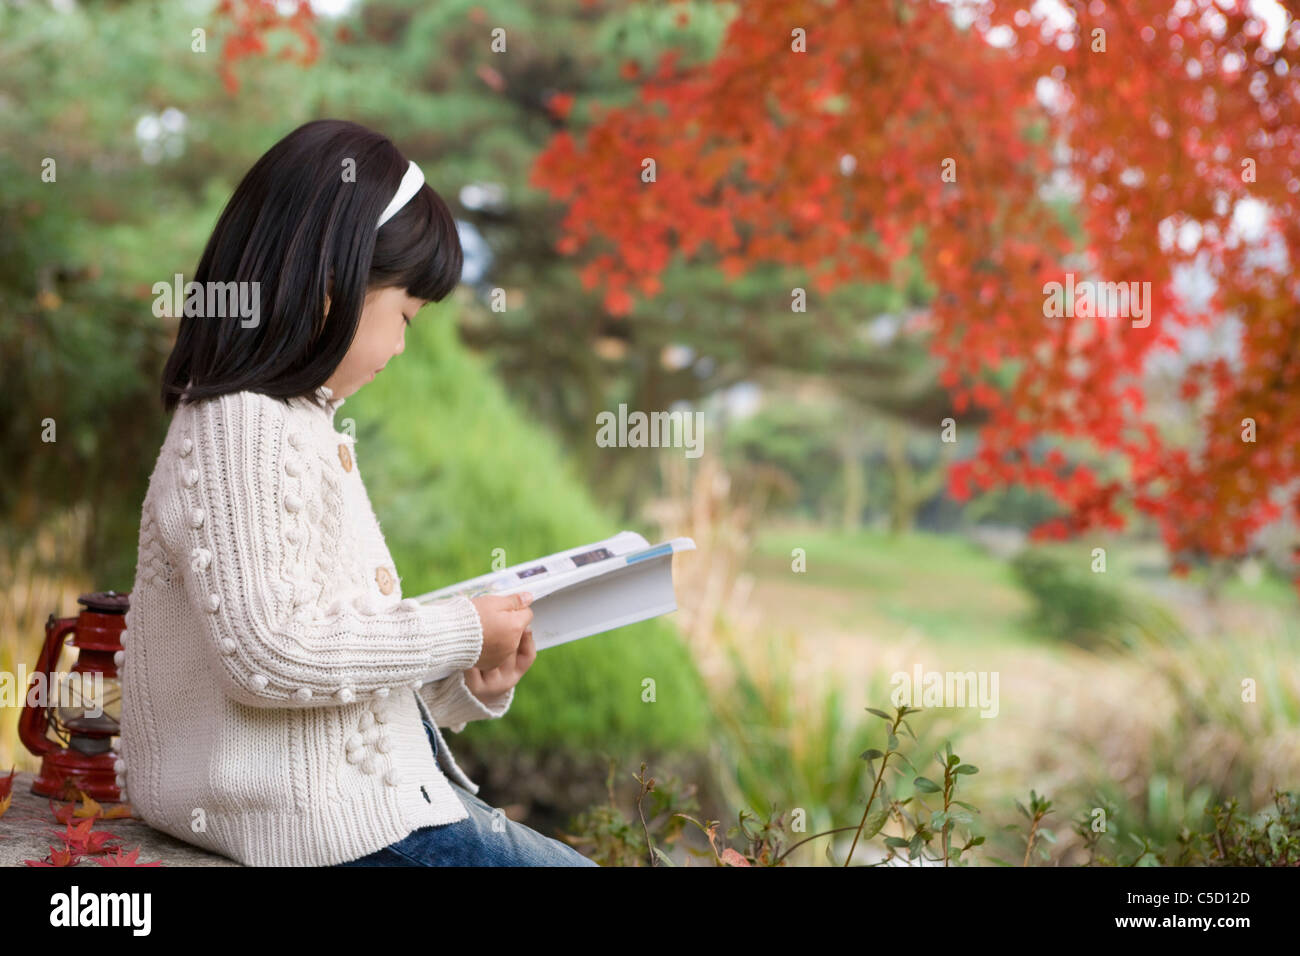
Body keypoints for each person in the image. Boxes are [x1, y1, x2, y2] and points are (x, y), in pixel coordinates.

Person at [118, 118, 598, 867]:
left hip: (345, 810)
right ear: (330, 282)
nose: (403, 347)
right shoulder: (240, 424)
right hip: (315, 829)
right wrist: (459, 628)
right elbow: (272, 655)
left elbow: (331, 699)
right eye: (404, 316)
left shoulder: (296, 422)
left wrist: (462, 682)